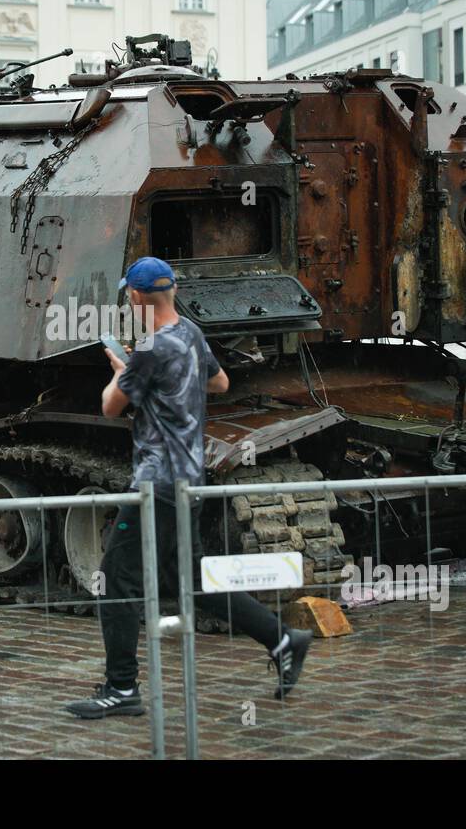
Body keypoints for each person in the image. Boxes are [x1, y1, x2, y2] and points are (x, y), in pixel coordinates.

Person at [66, 257, 312, 719]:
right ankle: (282, 639)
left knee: (116, 581)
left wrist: (123, 370)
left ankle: (121, 689)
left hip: (156, 484)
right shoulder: (192, 335)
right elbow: (220, 382)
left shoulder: (149, 350)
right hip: (191, 479)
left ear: (136, 297)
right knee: (195, 581)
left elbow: (109, 407)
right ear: (173, 289)